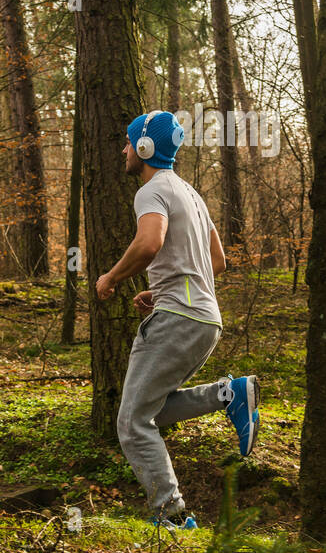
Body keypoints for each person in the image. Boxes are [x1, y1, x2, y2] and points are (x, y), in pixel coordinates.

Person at [95, 109, 260, 529]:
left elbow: (150, 242)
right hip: (206, 320)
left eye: (130, 142)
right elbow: (217, 261)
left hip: (178, 319)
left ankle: (170, 515)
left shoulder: (151, 191)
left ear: (145, 146)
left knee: (131, 423)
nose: (125, 149)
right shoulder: (190, 193)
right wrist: (162, 286)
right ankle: (228, 395)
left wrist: (113, 278)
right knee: (149, 411)